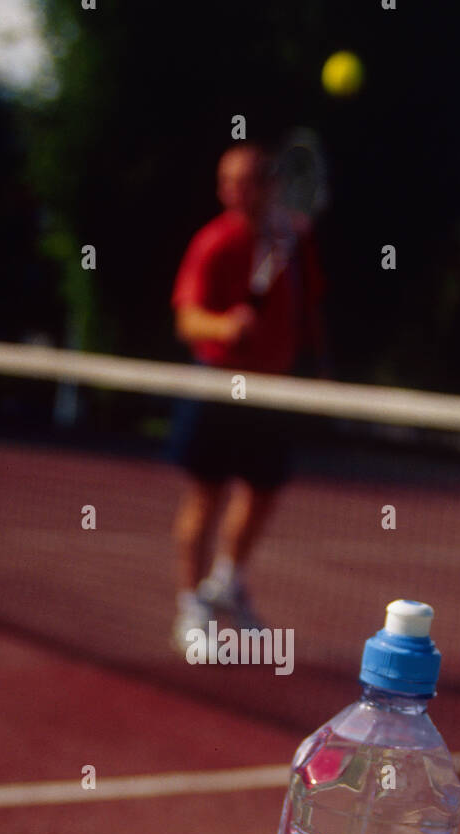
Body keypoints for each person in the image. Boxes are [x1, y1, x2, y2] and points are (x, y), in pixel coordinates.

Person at [169, 142, 326, 655]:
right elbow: (187, 319)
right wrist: (224, 324)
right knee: (206, 497)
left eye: (249, 180)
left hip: (270, 389)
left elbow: (308, 312)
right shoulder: (212, 243)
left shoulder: (292, 240)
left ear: (270, 185)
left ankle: (227, 581)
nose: (237, 191)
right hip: (217, 385)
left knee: (262, 492)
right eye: (228, 181)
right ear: (220, 189)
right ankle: (192, 609)